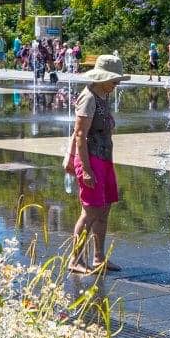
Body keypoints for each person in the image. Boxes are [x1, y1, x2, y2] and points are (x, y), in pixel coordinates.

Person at [67, 53, 128, 274]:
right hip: (91, 160)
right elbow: (79, 134)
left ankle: (98, 258)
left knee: (104, 209)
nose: (117, 84)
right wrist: (85, 169)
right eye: (114, 80)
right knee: (90, 212)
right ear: (102, 78)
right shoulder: (89, 98)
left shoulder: (103, 95)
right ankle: (75, 259)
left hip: (104, 159)